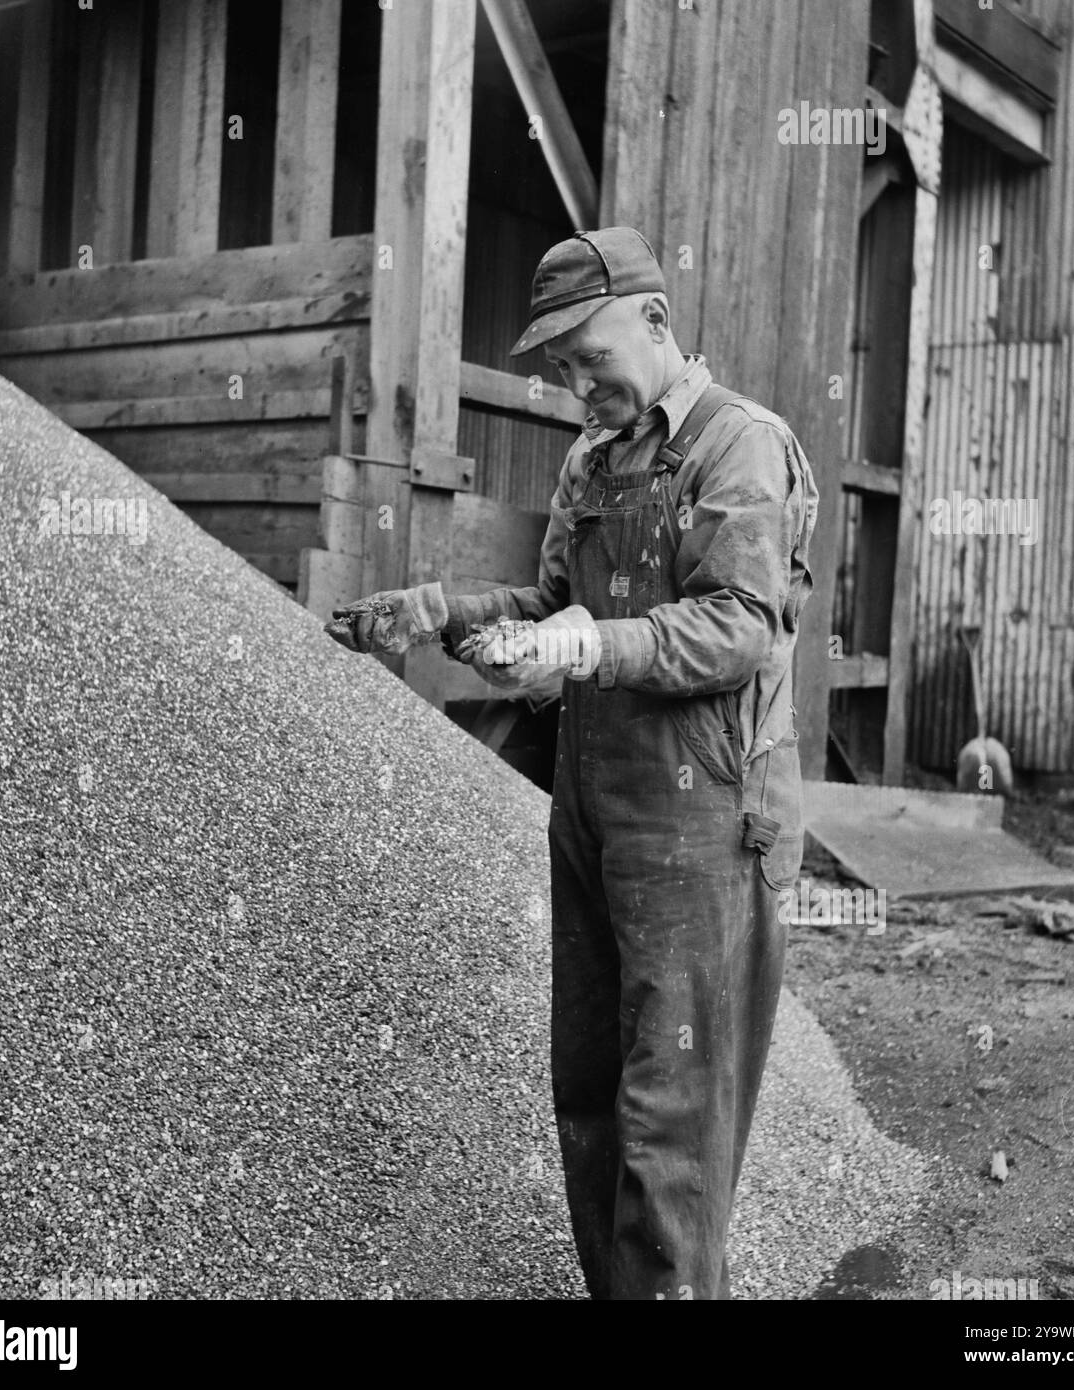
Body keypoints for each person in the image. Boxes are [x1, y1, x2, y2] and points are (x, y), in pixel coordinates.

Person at [329, 226, 819, 1300]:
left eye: (587, 354)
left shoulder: (737, 445)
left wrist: (590, 643)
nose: (572, 381)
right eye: (557, 364)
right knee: (590, 1085)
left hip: (705, 819)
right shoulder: (593, 461)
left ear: (652, 321)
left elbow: (737, 625)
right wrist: (439, 612)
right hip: (594, 808)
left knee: (672, 1107)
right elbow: (549, 608)